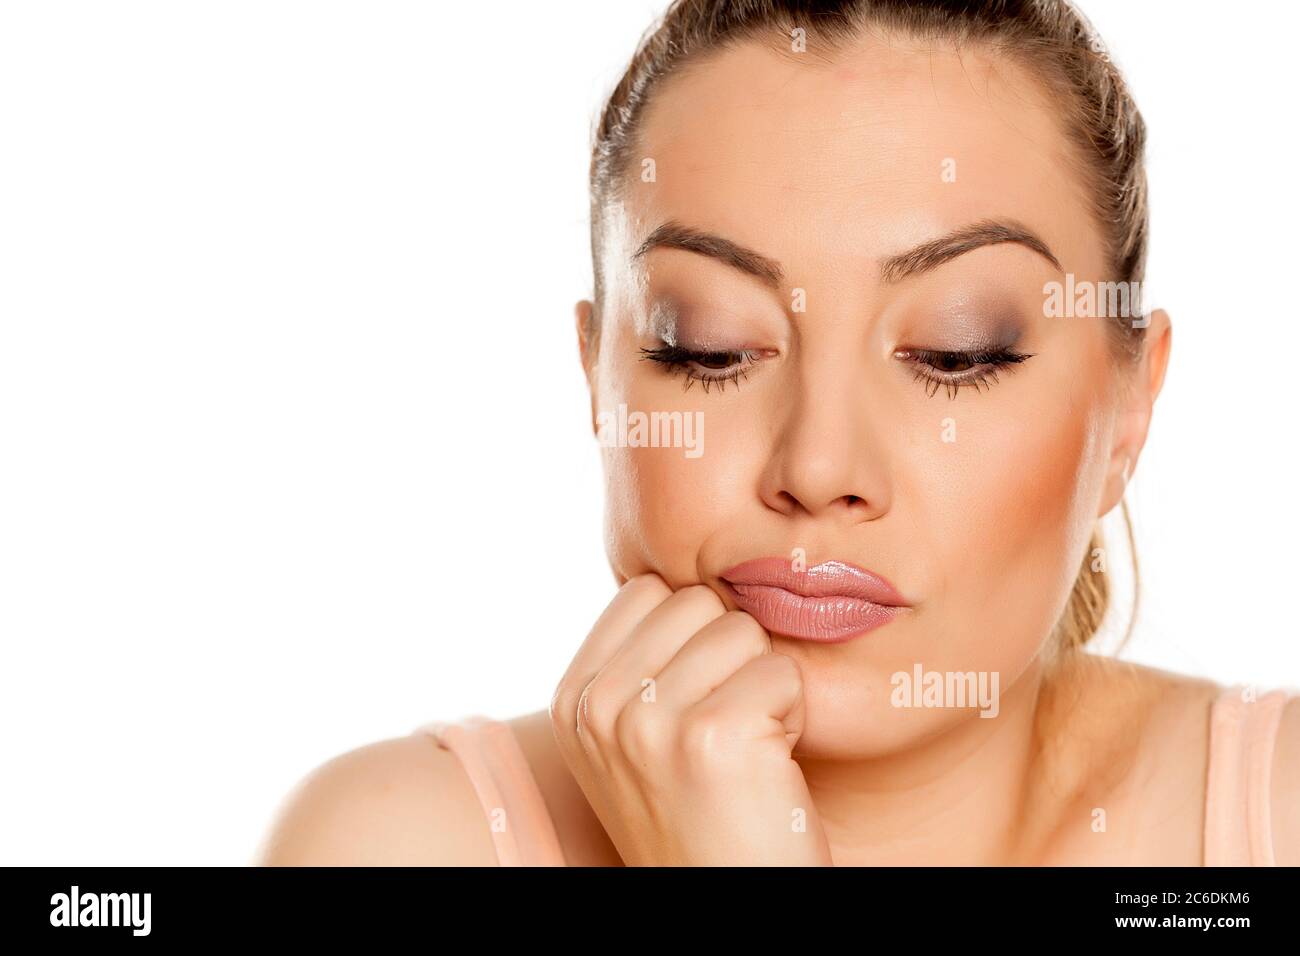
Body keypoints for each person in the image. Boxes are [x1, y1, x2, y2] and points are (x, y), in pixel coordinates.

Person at [255, 0, 1299, 866]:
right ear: (597, 370)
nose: (817, 467)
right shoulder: (397, 843)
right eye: (707, 348)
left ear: (1127, 409)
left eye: (953, 351)